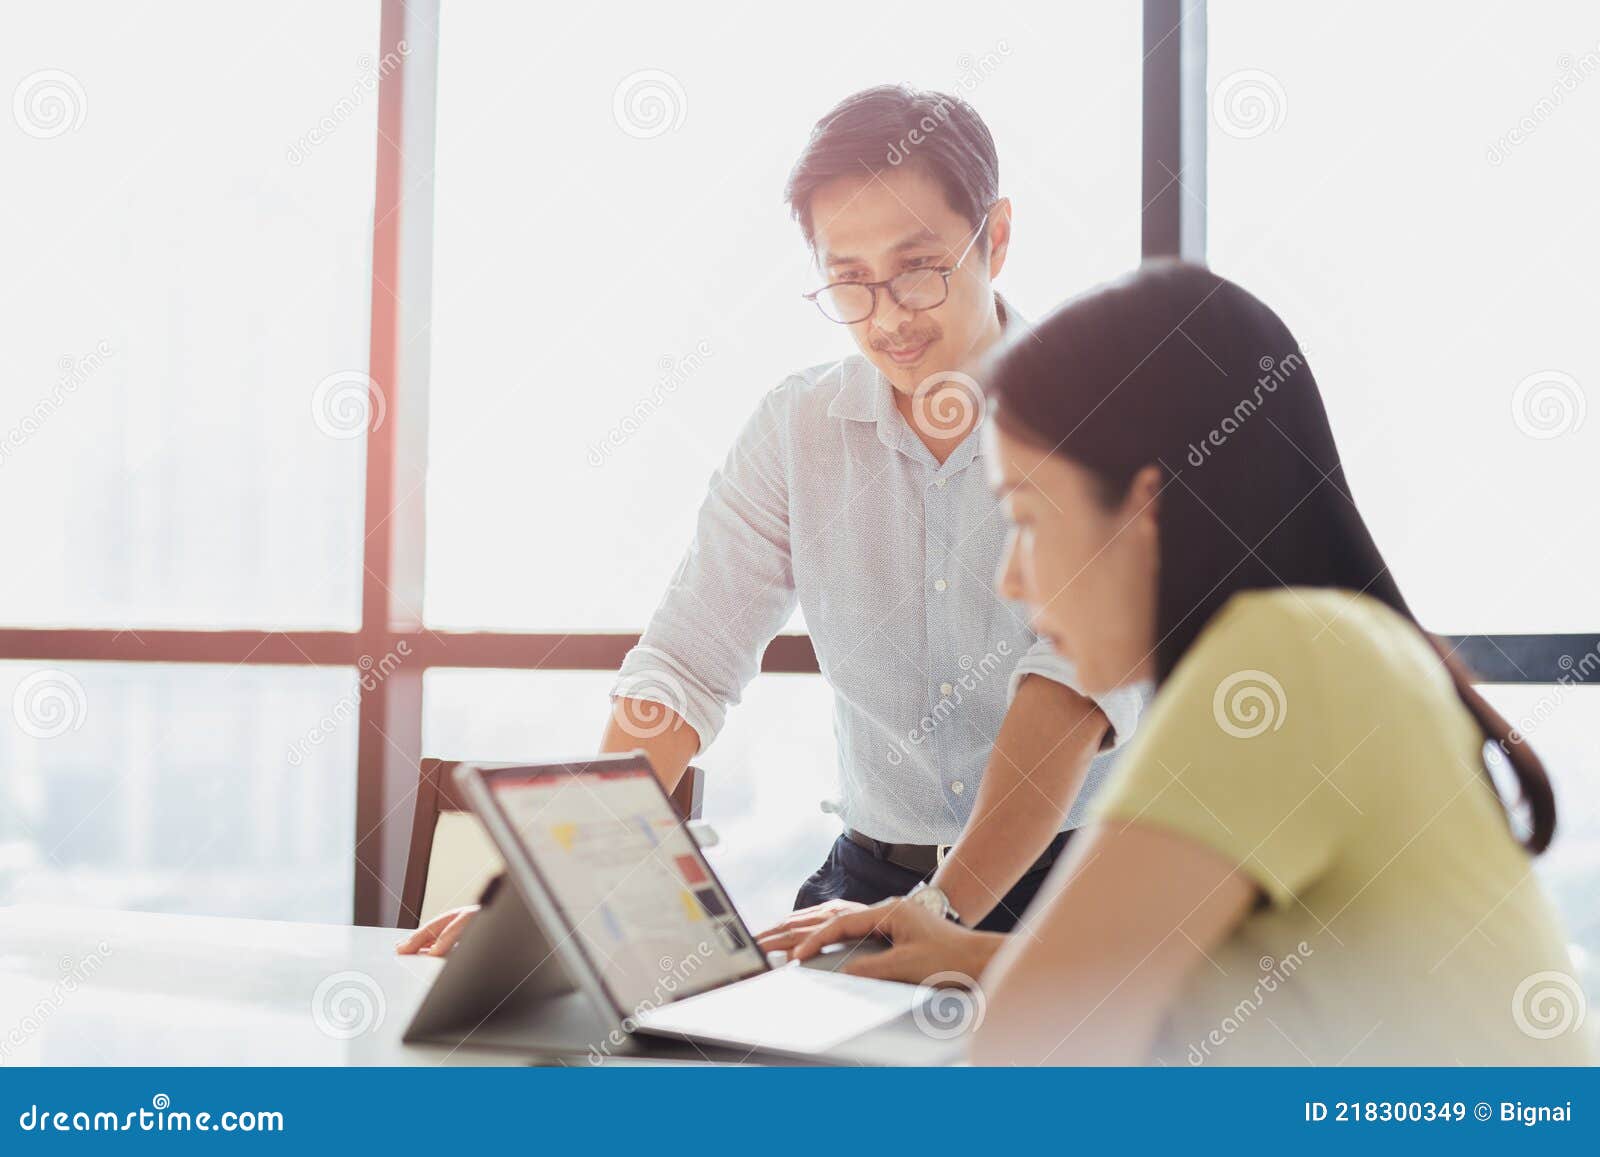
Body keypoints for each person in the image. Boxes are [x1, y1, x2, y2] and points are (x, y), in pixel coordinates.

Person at [399, 85, 1141, 959]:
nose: (889, 315)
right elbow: (686, 662)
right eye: (850, 282)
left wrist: (943, 910)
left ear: (998, 238)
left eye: (918, 268)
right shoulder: (798, 431)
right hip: (869, 880)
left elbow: (1071, 684)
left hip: (1085, 888)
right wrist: (554, 888)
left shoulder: (1103, 420)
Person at [794, 260, 1594, 1066]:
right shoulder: (1336, 644)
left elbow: (1035, 1039)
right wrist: (960, 954)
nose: (1011, 578)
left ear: (1145, 507)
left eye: (1028, 519)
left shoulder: (1279, 662)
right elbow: (1195, 991)